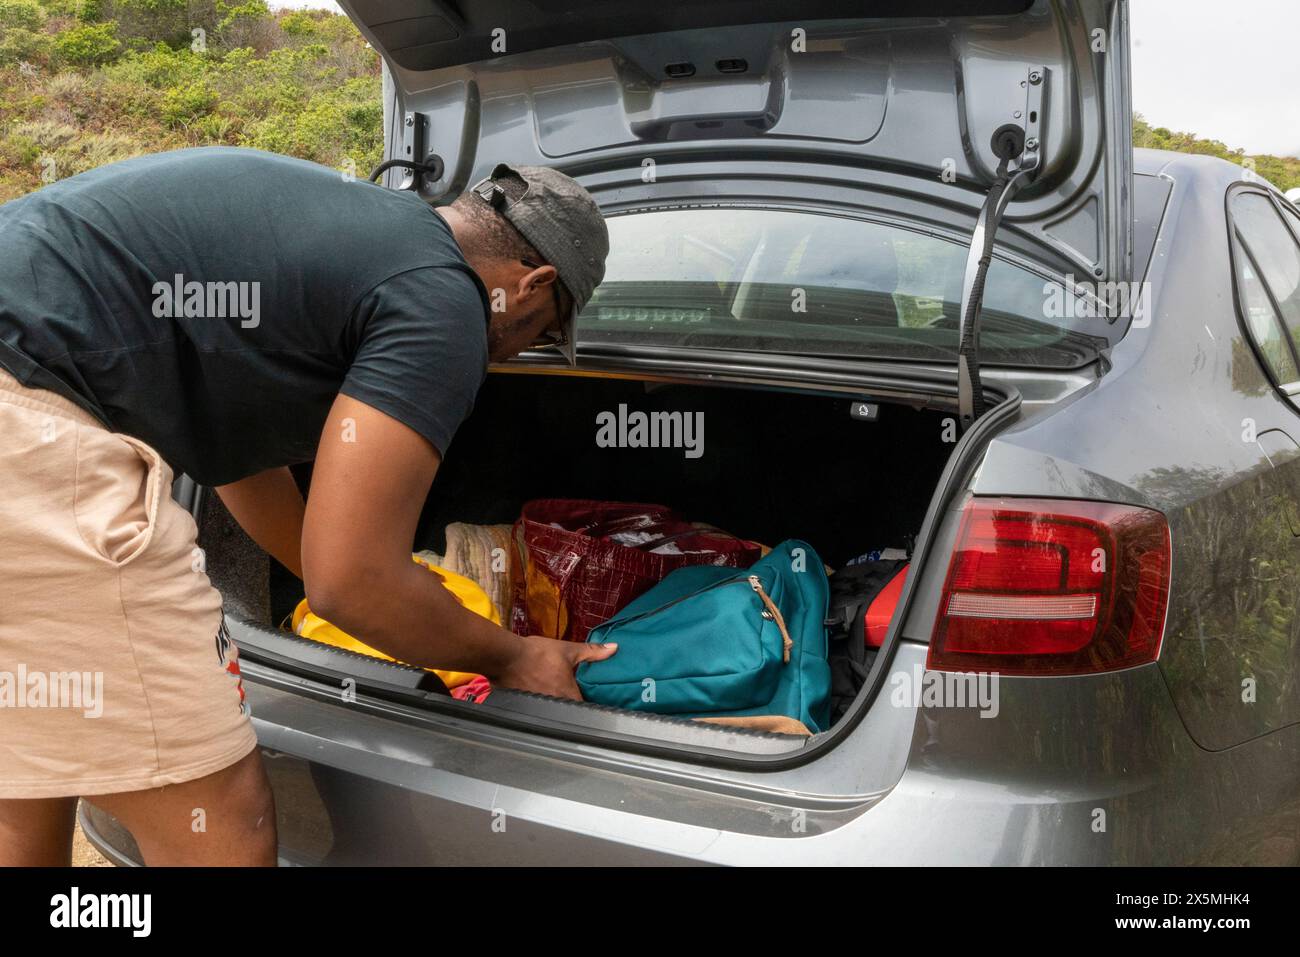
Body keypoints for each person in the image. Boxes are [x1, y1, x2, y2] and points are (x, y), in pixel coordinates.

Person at [0, 147, 615, 866]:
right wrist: (513, 656)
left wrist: (405, 593)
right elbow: (350, 582)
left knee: (27, 767)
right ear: (532, 281)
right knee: (222, 816)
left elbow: (240, 465)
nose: (518, 352)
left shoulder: (360, 239)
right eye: (542, 329)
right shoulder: (444, 295)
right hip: (29, 425)